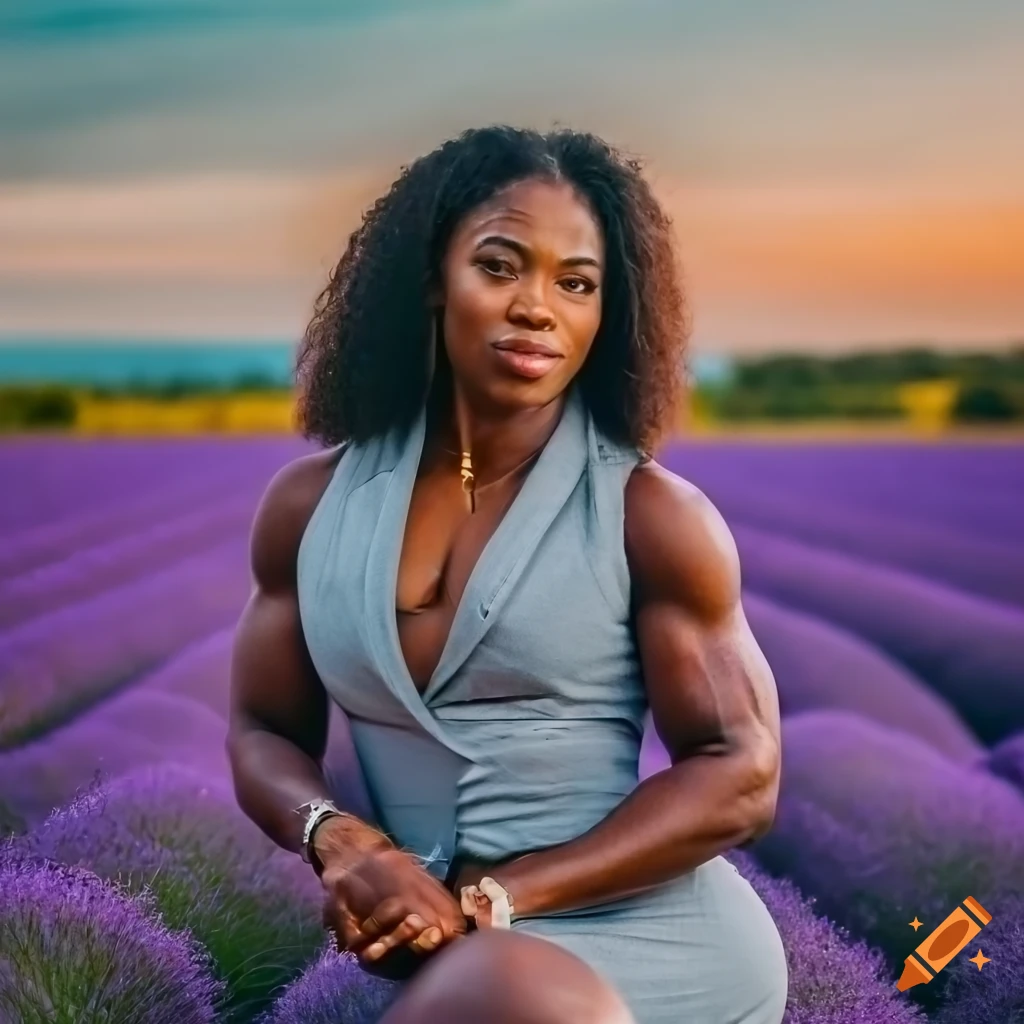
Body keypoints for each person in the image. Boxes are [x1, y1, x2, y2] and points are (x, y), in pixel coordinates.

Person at [227, 124, 788, 1024]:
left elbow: (742, 774)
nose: (537, 307)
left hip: (643, 941)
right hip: (443, 947)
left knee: (501, 993)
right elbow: (263, 728)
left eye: (577, 284)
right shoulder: (307, 508)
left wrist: (499, 899)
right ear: (430, 278)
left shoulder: (652, 516)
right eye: (499, 267)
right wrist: (342, 841)